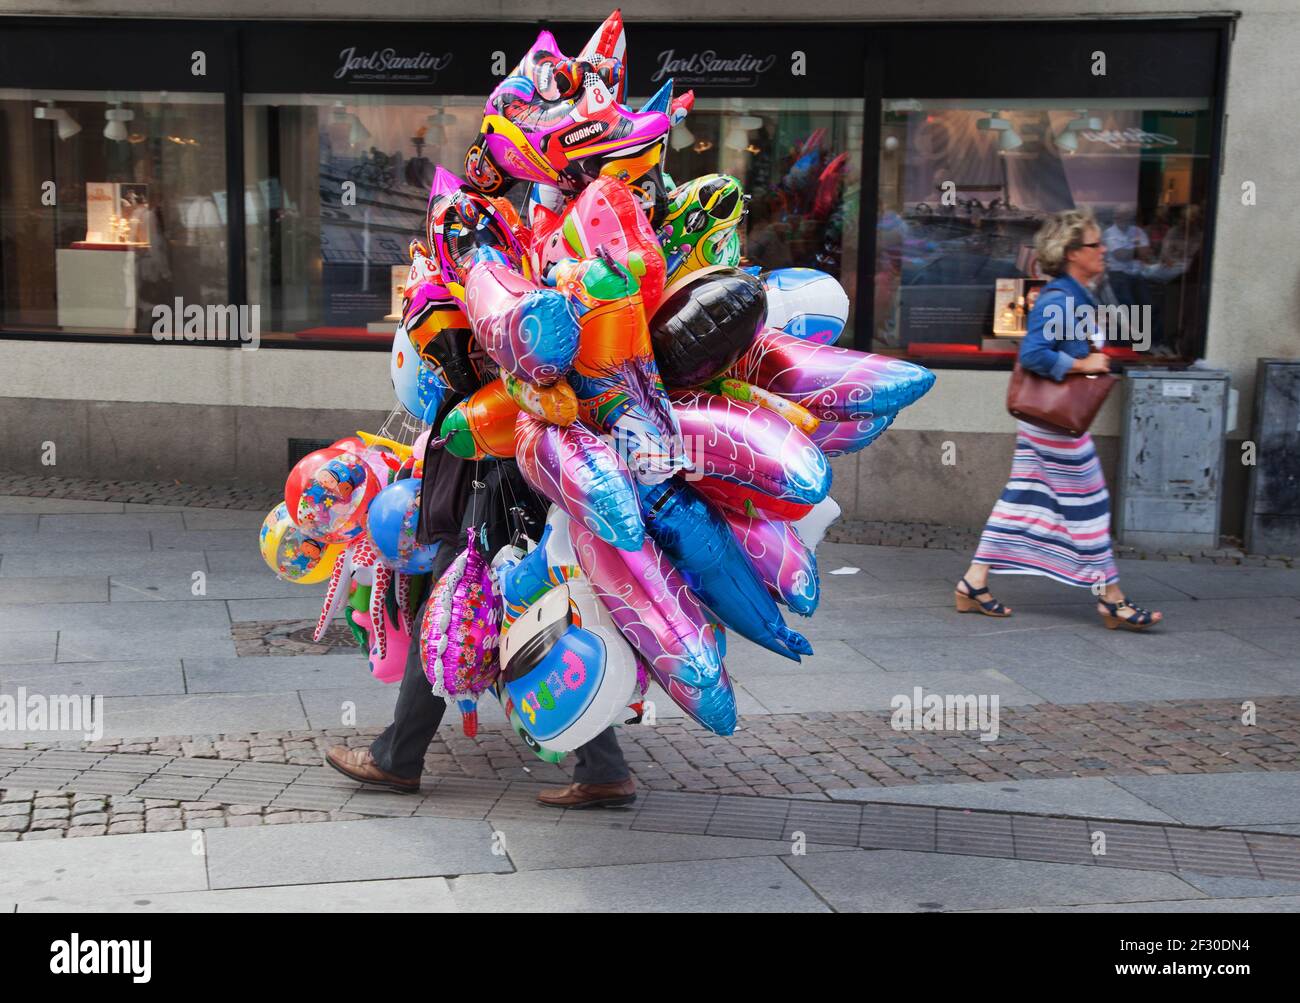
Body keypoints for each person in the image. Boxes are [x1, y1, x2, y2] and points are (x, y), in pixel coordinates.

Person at [324, 453, 638, 809]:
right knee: (512, 628)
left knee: (445, 630)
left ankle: (397, 760)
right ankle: (604, 768)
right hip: (487, 501)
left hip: (488, 507)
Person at [954, 208, 1163, 631]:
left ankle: (973, 582)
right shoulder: (1061, 299)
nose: (1104, 250)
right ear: (1071, 253)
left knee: (1019, 500)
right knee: (1090, 504)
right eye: (1094, 244)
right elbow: (1033, 355)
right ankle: (1111, 598)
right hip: (1055, 425)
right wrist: (1084, 363)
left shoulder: (1076, 294)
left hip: (1044, 422)